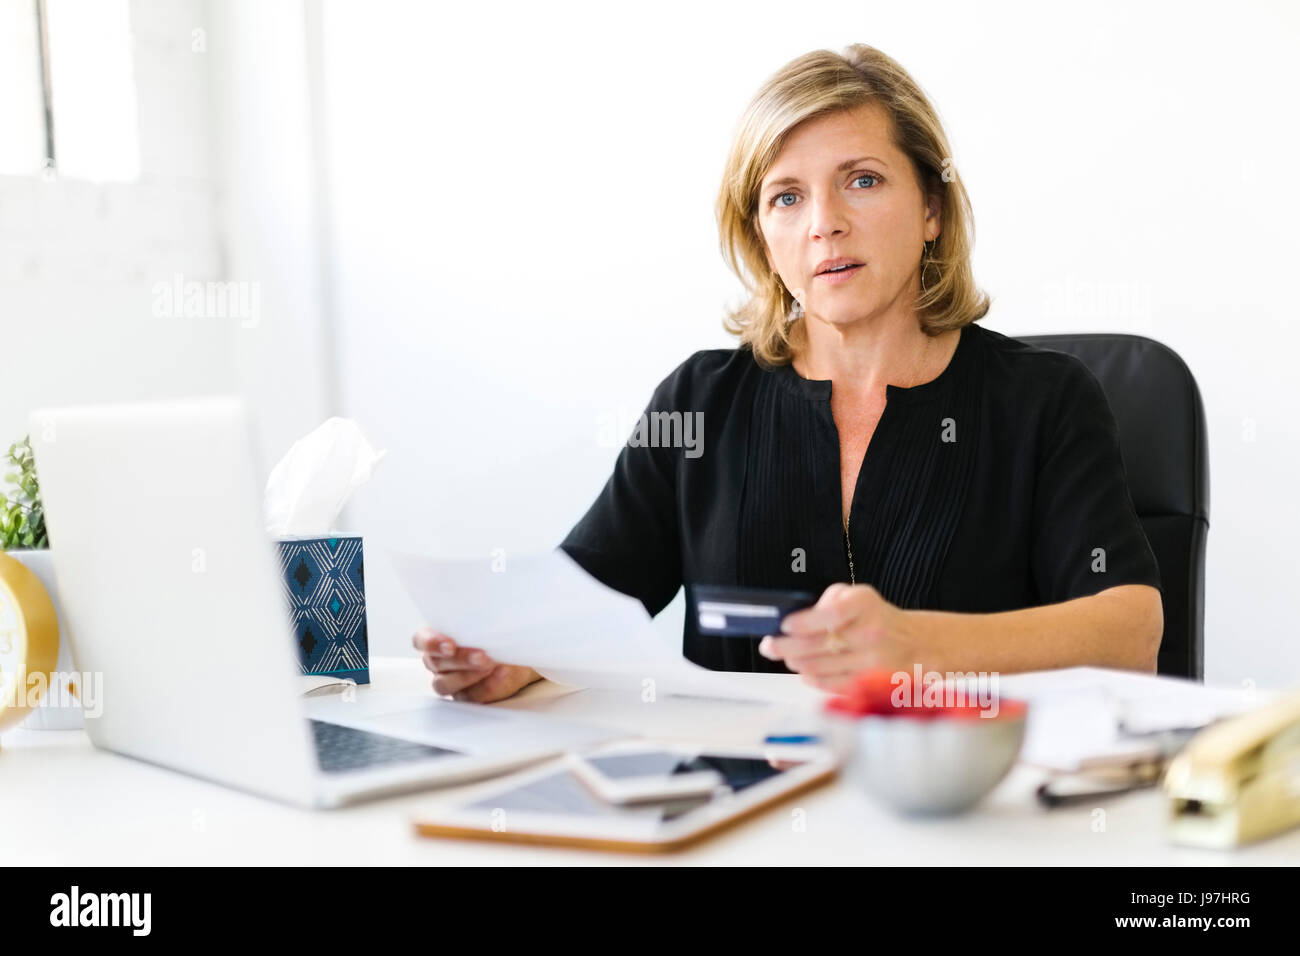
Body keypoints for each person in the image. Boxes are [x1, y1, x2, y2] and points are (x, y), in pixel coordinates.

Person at [414, 43, 1163, 702]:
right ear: (762, 237)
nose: (823, 222)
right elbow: (577, 607)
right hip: (737, 810)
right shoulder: (699, 404)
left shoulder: (1045, 400)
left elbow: (1129, 631)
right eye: (786, 196)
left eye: (862, 180)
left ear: (932, 207)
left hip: (958, 805)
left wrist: (916, 648)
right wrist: (512, 657)